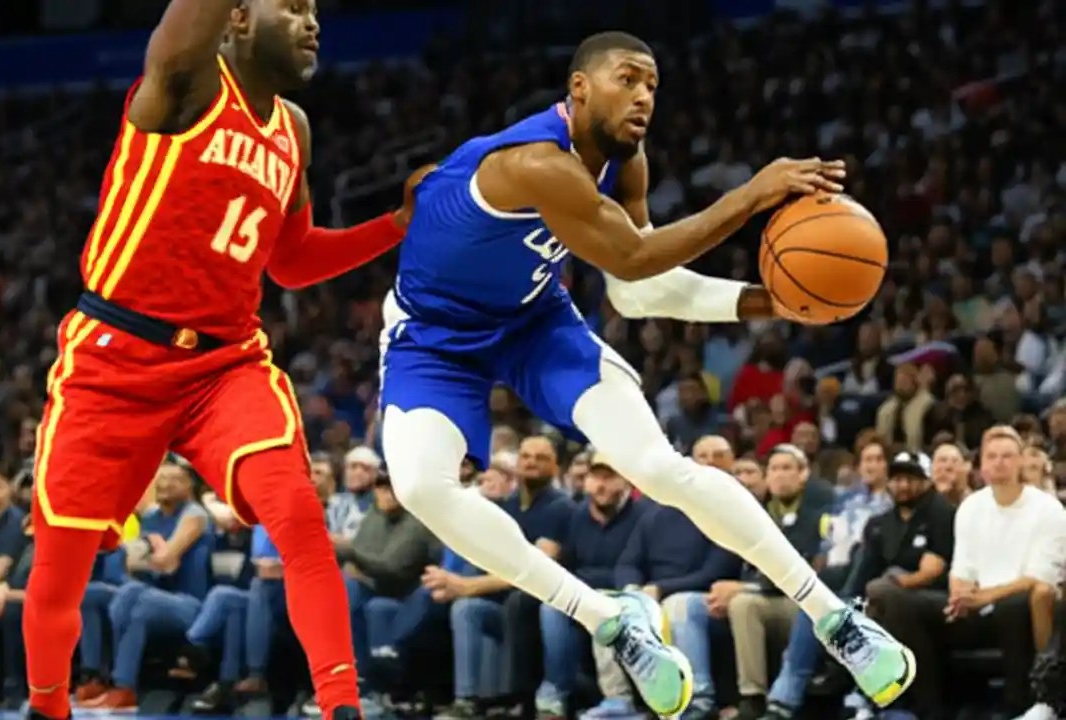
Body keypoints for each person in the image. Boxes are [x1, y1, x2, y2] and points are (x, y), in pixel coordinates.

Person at [378, 31, 914, 717]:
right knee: (422, 485)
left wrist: (771, 301)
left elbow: (636, 291)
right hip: (435, 340)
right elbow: (633, 259)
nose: (643, 97)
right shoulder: (533, 161)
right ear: (579, 88)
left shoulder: (625, 161)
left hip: (535, 323)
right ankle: (607, 617)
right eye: (627, 79)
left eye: (652, 86)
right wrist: (752, 194)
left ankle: (834, 615)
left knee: (657, 466)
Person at [21, 2, 428, 719]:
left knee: (297, 513)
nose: (312, 22)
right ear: (237, 17)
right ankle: (46, 706)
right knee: (61, 571)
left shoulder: (293, 129)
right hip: (116, 355)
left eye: (315, 10)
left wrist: (393, 227)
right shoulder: (187, 81)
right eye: (293, 6)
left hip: (223, 364)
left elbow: (293, 263)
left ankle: (341, 707)